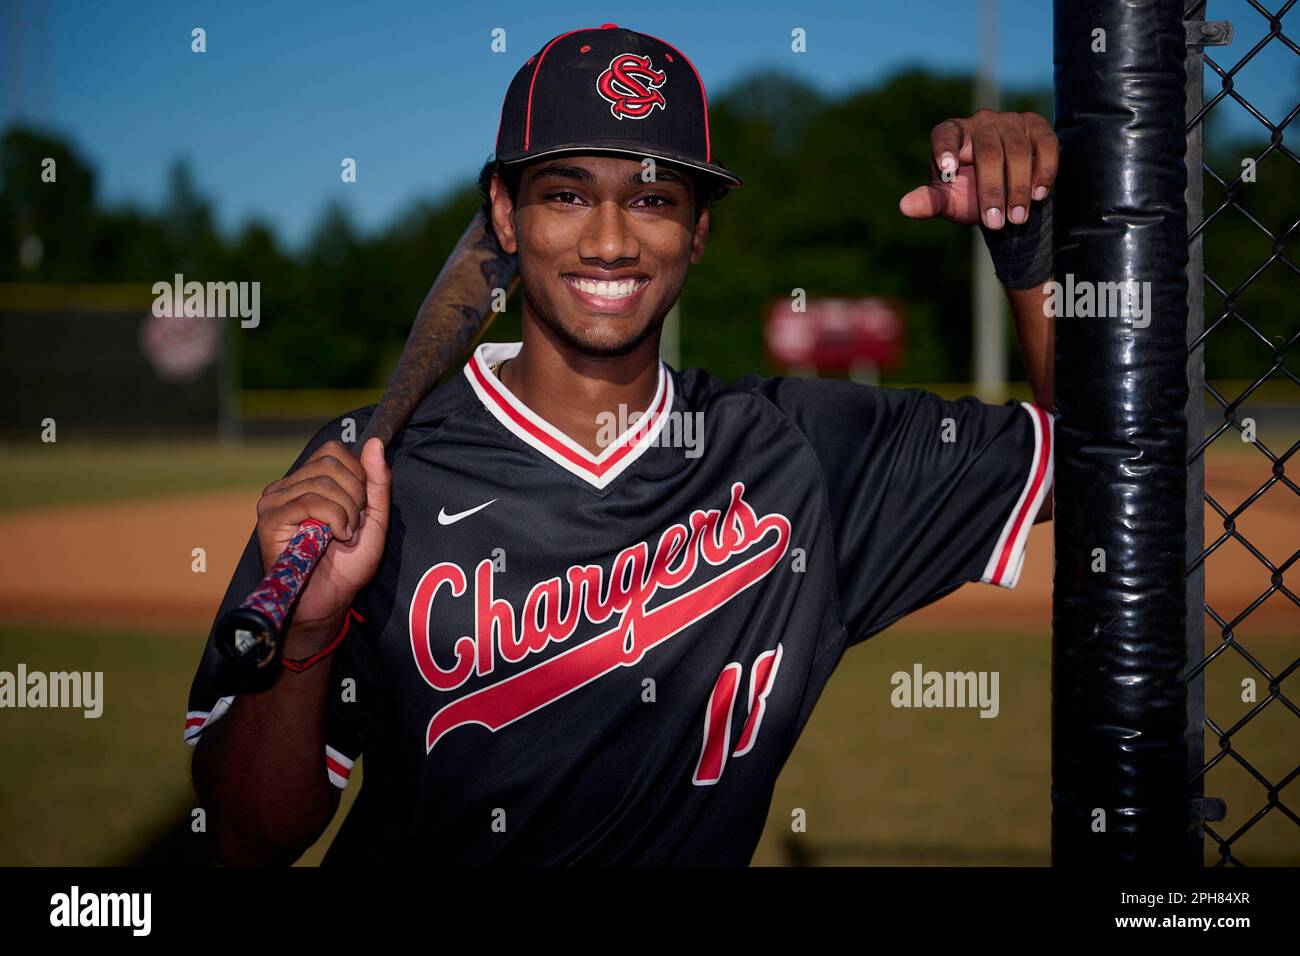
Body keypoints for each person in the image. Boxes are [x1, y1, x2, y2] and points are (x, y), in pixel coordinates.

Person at [186, 24, 1057, 865]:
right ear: (504, 211)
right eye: (566, 194)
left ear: (699, 230)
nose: (609, 241)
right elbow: (244, 840)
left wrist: (1027, 241)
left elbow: (1101, 464)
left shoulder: (805, 457)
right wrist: (310, 630)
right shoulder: (374, 472)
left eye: (651, 199)